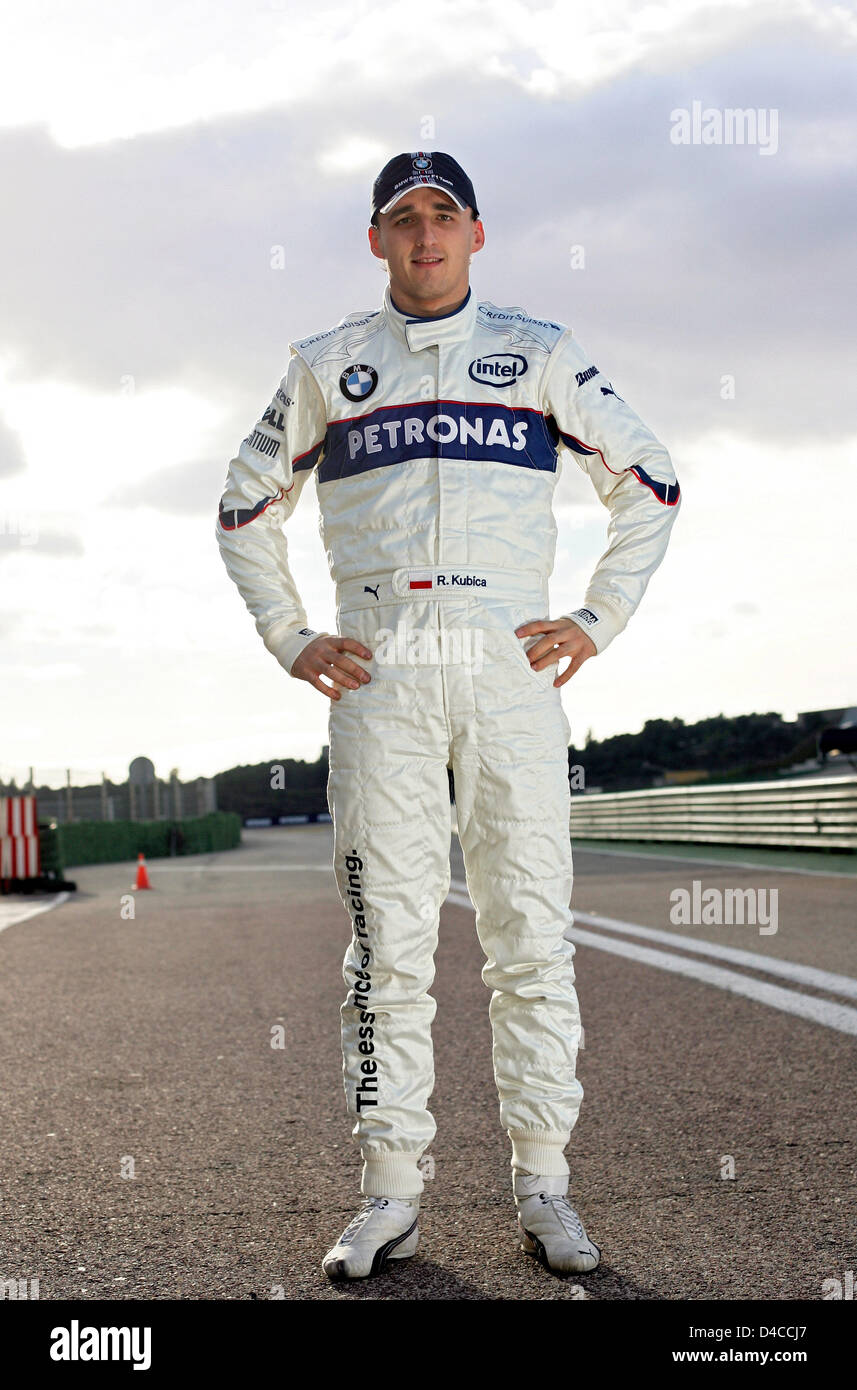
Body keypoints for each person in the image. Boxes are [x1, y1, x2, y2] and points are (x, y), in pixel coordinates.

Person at [216, 151, 681, 1282]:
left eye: (441, 216)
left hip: (509, 664)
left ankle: (543, 1185)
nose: (423, 236)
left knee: (528, 936)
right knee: (389, 948)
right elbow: (241, 507)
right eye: (400, 220)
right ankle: (389, 1195)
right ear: (373, 241)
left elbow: (652, 483)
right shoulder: (327, 367)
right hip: (379, 677)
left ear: (476, 232)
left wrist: (593, 619)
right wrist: (293, 637)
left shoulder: (539, 355)